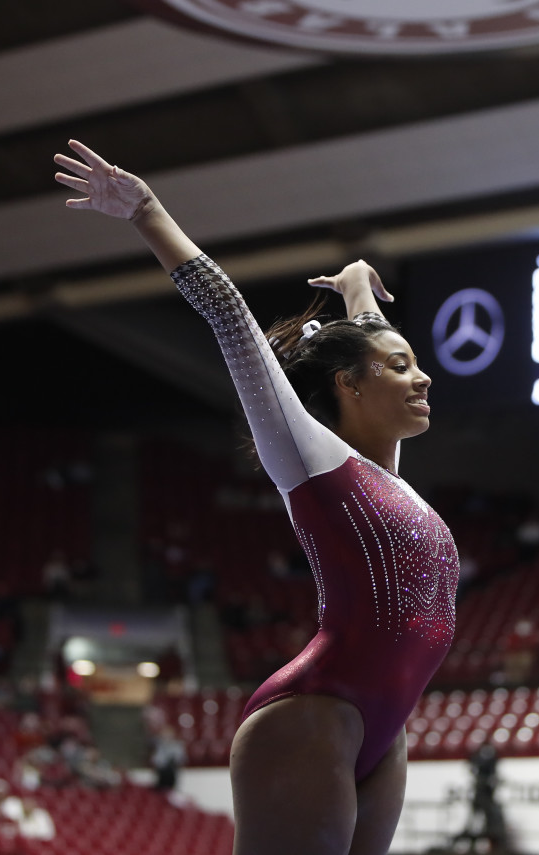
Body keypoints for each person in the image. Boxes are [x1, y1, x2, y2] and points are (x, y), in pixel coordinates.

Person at [55, 140, 459, 855]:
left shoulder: (386, 474)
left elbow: (365, 355)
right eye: (402, 366)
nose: (422, 377)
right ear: (349, 385)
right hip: (315, 712)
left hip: (384, 727)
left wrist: (358, 289)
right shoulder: (308, 457)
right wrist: (146, 212)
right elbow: (230, 317)